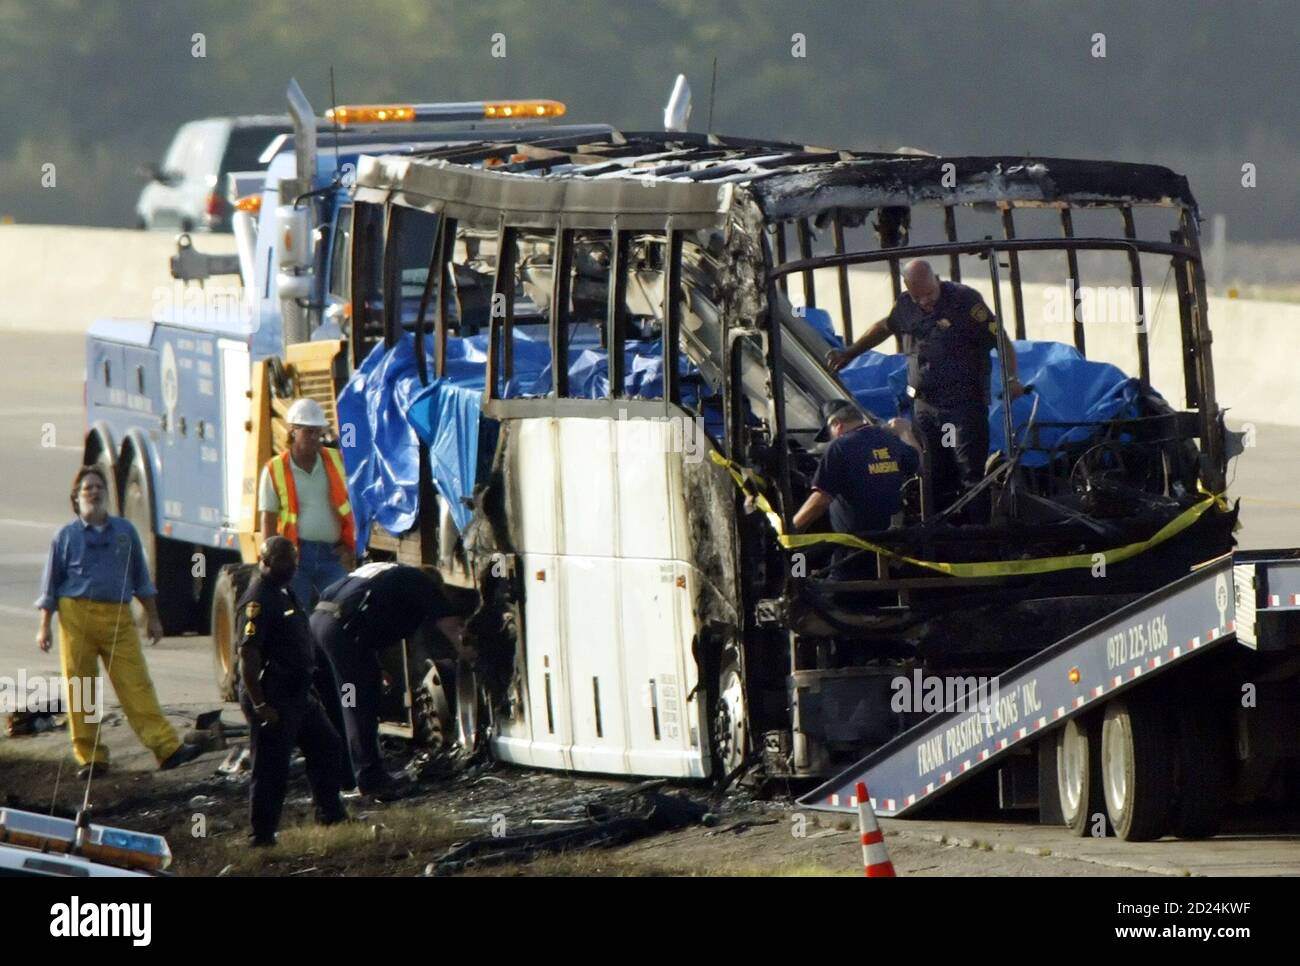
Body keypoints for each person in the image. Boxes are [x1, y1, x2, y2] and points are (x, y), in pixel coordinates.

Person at [35, 467, 201, 779]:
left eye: (99, 487)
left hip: (117, 617)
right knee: (81, 687)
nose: (94, 492)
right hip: (76, 617)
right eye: (87, 488)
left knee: (135, 682)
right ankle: (91, 758)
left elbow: (141, 578)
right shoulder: (66, 536)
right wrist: (44, 626)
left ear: (107, 495)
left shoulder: (124, 532)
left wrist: (153, 618)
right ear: (76, 497)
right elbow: (51, 585)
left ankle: (167, 749)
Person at [827, 260, 1022, 521]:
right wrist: (850, 353)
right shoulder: (906, 306)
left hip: (962, 404)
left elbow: (1000, 337)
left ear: (937, 279)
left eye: (930, 293)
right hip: (926, 406)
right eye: (919, 297)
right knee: (930, 470)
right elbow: (884, 327)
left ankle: (977, 534)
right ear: (908, 289)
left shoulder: (966, 301)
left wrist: (1011, 377)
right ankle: (937, 530)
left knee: (969, 471)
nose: (926, 301)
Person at [310, 563, 467, 800]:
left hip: (318, 627)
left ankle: (345, 778)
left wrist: (375, 665)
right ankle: (371, 780)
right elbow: (451, 625)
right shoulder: (422, 582)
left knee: (338, 705)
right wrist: (469, 657)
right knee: (357, 703)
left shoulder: (381, 572)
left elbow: (363, 613)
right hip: (342, 634)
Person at [235, 536, 348, 846]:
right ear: (264, 563)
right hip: (272, 695)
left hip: (298, 694)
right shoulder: (258, 600)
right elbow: (247, 656)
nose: (291, 566)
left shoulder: (285, 592)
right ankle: (262, 836)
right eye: (283, 561)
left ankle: (330, 813)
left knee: (328, 745)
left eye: (293, 560)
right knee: (271, 768)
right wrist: (260, 705)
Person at [258, 397, 355, 609]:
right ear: (293, 430)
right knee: (295, 615)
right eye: (308, 431)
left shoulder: (337, 460)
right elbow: (268, 517)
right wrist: (268, 558)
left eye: (317, 432)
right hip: (294, 559)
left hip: (332, 555)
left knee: (341, 612)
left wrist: (350, 546)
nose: (314, 437)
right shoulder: (275, 469)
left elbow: (354, 504)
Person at [792, 400, 919, 537]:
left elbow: (821, 499)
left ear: (836, 424)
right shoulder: (890, 439)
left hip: (855, 546)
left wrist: (791, 529)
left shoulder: (840, 446)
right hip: (891, 538)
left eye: (829, 434)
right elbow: (919, 463)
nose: (831, 439)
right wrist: (905, 431)